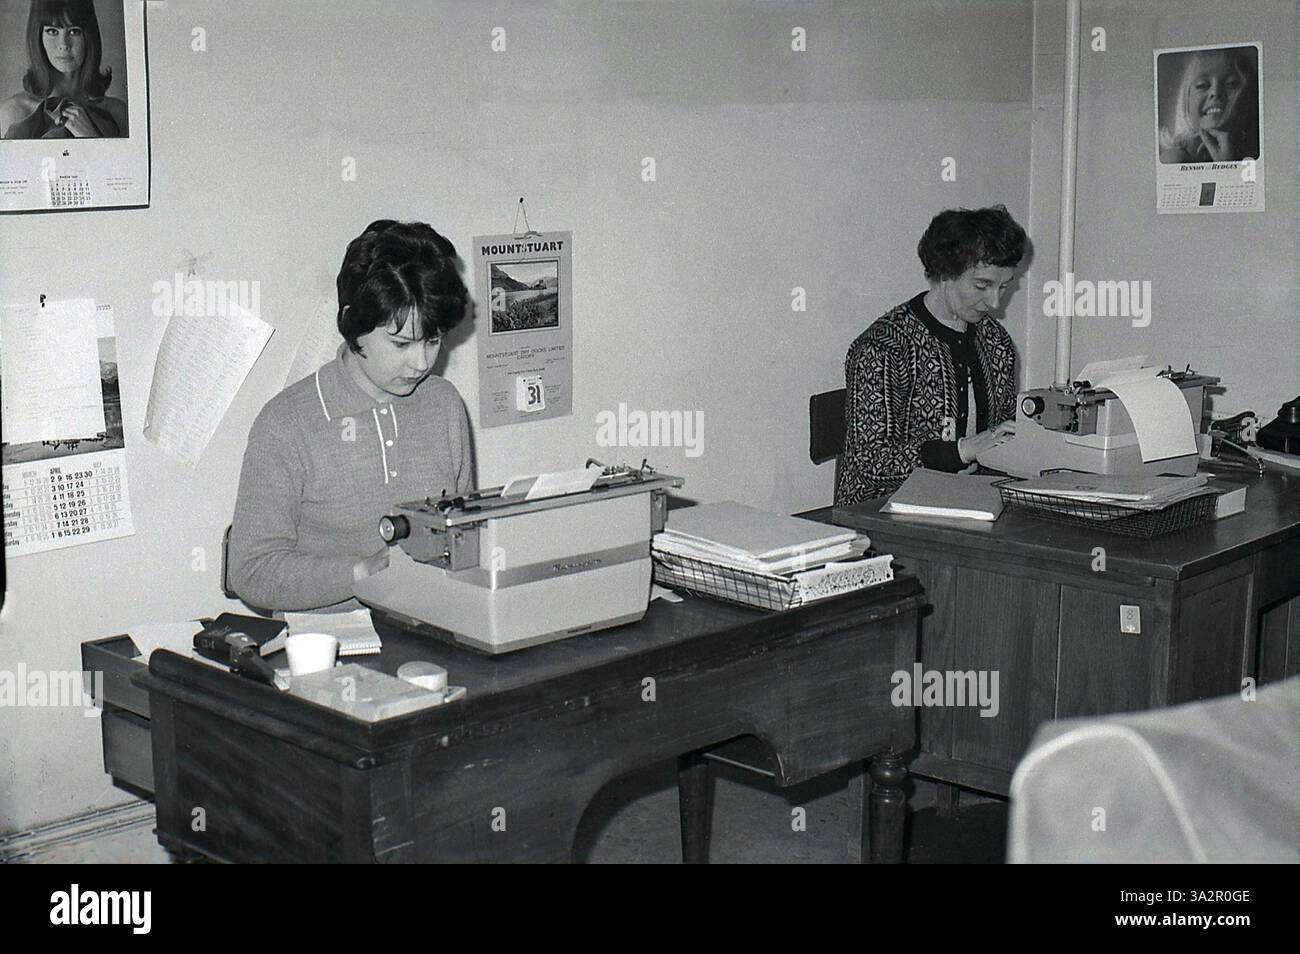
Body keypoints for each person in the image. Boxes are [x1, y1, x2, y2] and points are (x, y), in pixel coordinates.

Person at [228, 220, 475, 612]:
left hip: (435, 630)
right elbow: (251, 571)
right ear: (353, 325)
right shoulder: (286, 424)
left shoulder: (444, 404)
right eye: (401, 343)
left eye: (433, 340)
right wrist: (362, 572)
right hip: (326, 650)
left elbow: (463, 536)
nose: (422, 361)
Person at [835, 206, 1026, 506]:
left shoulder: (996, 342)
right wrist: (960, 451)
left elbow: (1002, 438)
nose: (995, 302)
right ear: (946, 272)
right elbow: (869, 461)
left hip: (970, 506)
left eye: (1004, 287)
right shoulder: (884, 346)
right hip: (881, 513)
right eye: (982, 285)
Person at [1, 0, 127, 139]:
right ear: (38, 37)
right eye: (52, 31)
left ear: (89, 37)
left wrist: (89, 136)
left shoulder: (117, 113)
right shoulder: (12, 113)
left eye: (74, 31)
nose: (63, 45)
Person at [1158, 48, 1259, 163]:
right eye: (1202, 85)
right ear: (1186, 102)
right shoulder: (1176, 158)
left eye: (1231, 84)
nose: (1215, 92)